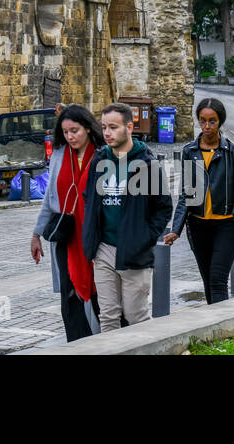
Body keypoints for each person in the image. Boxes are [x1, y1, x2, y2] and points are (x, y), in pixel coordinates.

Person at [162, 97, 234, 304]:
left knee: (218, 280)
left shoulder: (232, 152)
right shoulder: (189, 152)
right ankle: (215, 331)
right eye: (202, 120)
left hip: (226, 225)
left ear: (220, 122)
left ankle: (220, 329)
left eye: (212, 121)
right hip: (198, 226)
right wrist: (176, 229)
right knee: (208, 280)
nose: (207, 126)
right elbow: (185, 195)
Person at [80, 102, 173, 331]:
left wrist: (145, 237)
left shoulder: (147, 164)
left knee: (135, 316)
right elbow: (89, 197)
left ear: (129, 127)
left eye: (113, 127)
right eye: (104, 127)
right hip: (104, 248)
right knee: (108, 315)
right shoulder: (99, 161)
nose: (107, 133)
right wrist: (92, 238)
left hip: (135, 250)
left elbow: (163, 207)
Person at [30, 104, 104, 341]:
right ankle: (77, 343)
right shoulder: (60, 155)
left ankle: (104, 340)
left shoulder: (103, 153)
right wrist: (37, 233)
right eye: (65, 132)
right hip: (67, 235)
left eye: (75, 130)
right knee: (69, 294)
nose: (70, 136)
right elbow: (50, 198)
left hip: (98, 236)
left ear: (88, 129)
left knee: (101, 292)